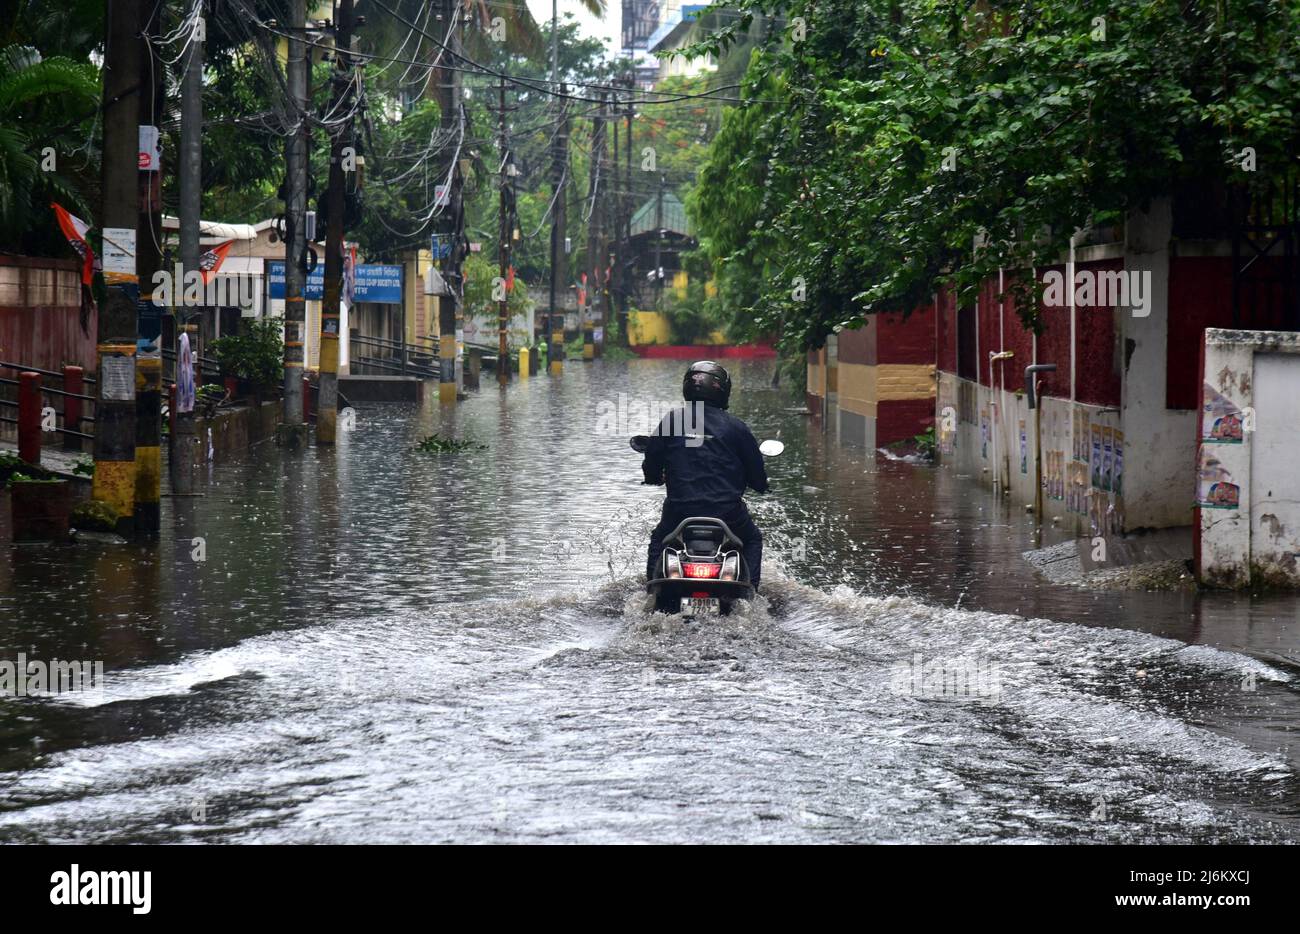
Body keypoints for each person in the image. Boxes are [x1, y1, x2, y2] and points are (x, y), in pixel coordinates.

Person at [642, 361, 768, 590]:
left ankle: (651, 589)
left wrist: (652, 477)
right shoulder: (736, 427)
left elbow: (652, 459)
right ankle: (753, 593)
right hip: (728, 513)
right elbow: (757, 474)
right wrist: (760, 485)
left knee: (659, 539)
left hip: (679, 511)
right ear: (722, 390)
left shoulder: (672, 420)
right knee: (752, 539)